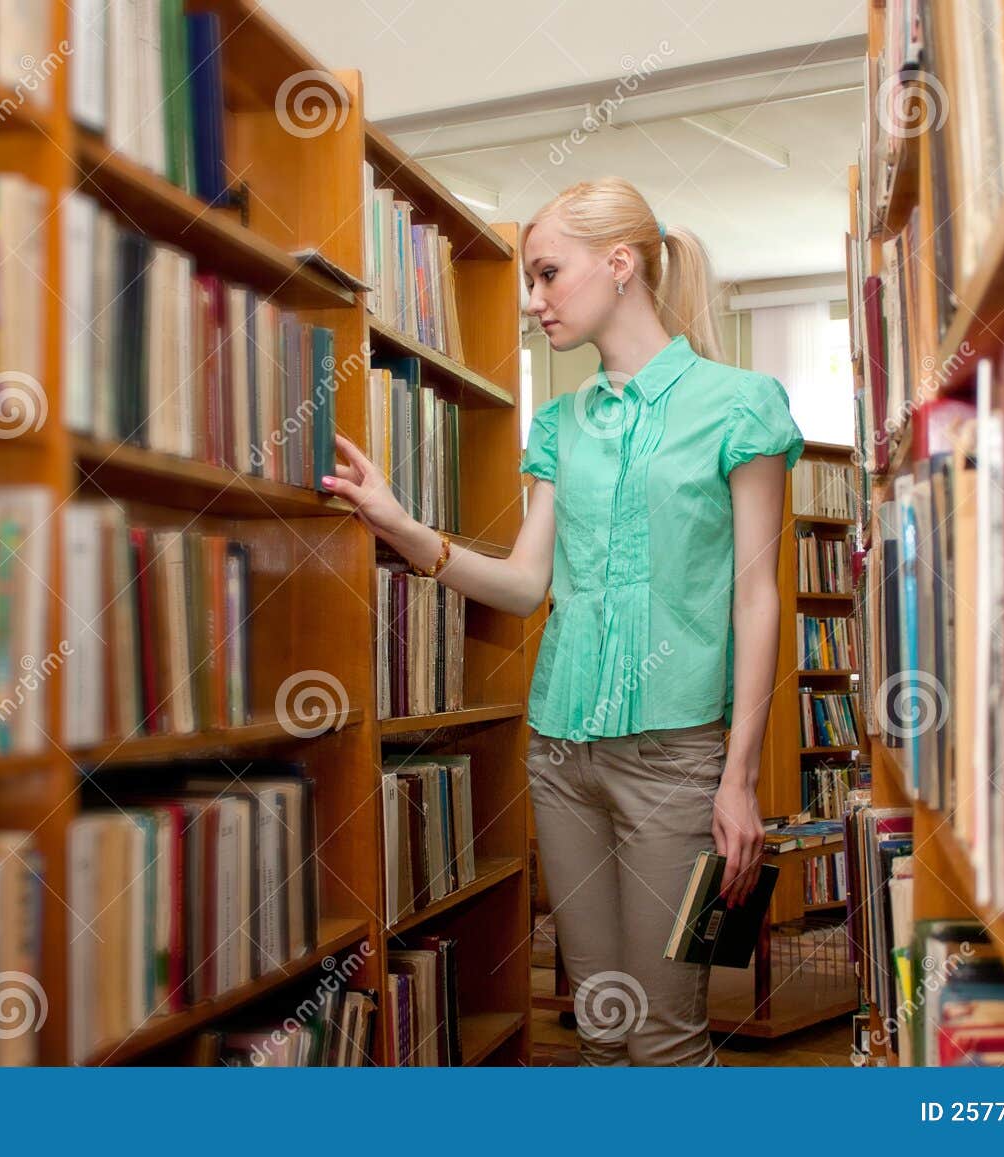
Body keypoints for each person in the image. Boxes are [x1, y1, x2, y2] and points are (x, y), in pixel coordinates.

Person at [324, 176, 803, 1066]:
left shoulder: (741, 404)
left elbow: (756, 594)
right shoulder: (559, 424)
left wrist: (736, 777)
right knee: (602, 1025)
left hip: (679, 760)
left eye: (547, 274)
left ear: (620, 264)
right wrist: (401, 527)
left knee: (665, 1036)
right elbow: (520, 583)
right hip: (560, 753)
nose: (534, 302)